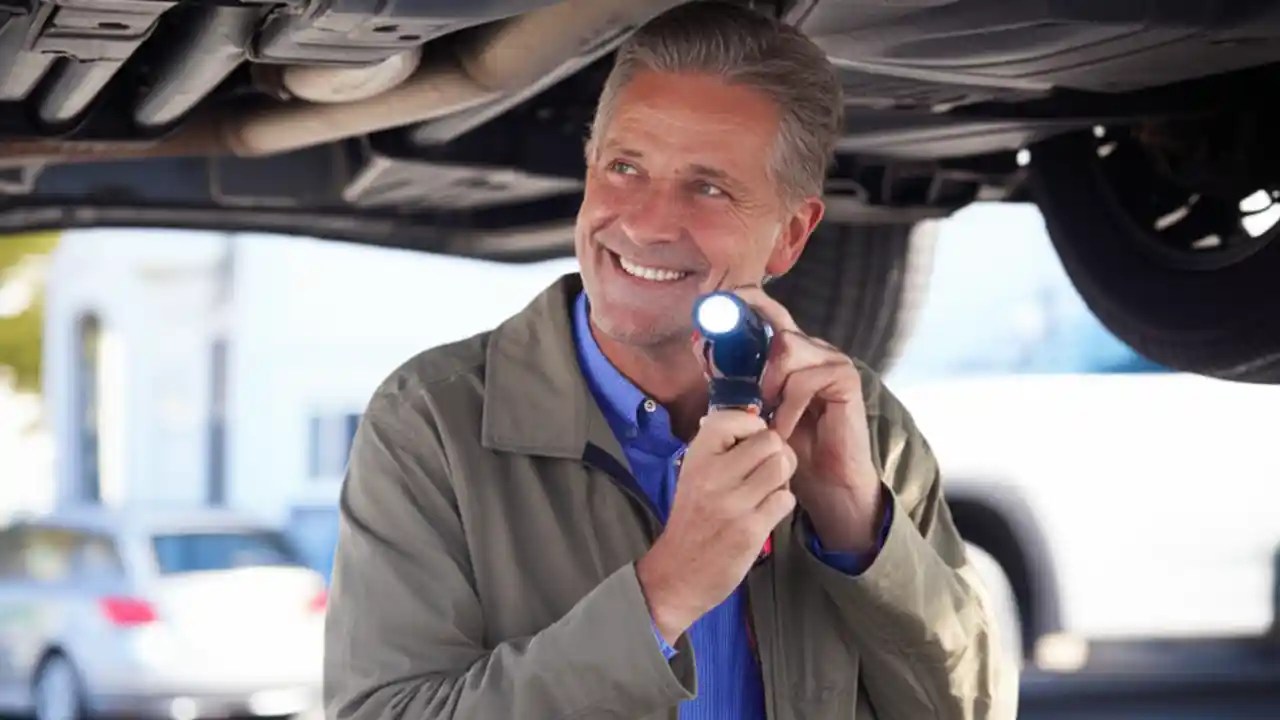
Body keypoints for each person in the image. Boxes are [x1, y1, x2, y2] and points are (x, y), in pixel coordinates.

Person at [323, 2, 1019, 719]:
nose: (648, 223)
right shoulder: (434, 422)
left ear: (790, 236)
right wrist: (665, 593)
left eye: (709, 187)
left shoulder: (858, 422)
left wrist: (858, 529)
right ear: (589, 172)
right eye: (625, 167)